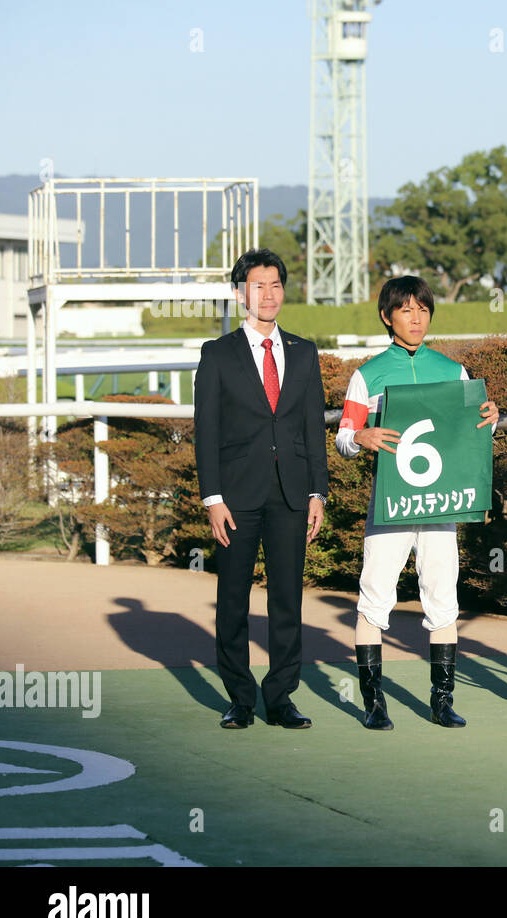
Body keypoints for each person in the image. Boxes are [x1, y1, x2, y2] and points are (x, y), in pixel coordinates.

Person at [336, 276, 499, 729]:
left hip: (440, 505)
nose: (416, 318)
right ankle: (373, 704)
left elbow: (472, 428)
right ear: (388, 316)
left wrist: (489, 415)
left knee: (443, 599)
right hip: (392, 503)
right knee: (374, 599)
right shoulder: (367, 374)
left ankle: (442, 701)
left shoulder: (453, 370)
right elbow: (343, 438)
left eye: (423, 310)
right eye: (406, 310)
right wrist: (361, 436)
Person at [194, 248, 328, 729]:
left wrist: (318, 493)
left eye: (275, 285)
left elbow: (313, 428)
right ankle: (240, 699)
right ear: (240, 293)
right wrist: (212, 498)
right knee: (232, 600)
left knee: (287, 601)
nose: (268, 294)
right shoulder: (217, 354)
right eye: (258, 286)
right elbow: (205, 430)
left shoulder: (303, 351)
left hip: (292, 495)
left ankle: (281, 697)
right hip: (235, 498)